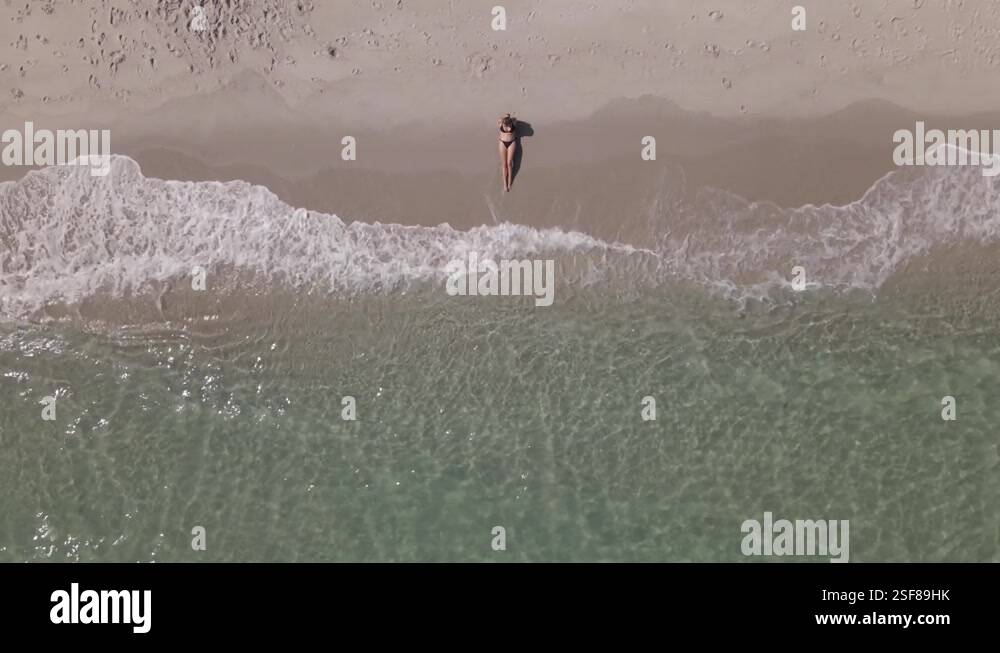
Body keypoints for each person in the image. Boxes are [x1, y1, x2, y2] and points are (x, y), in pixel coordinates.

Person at [497, 113, 518, 192]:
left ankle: (509, 183)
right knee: (504, 164)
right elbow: (499, 119)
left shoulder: (513, 122)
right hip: (502, 143)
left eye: (509, 124)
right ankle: (505, 185)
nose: (508, 127)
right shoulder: (501, 123)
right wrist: (504, 117)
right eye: (506, 125)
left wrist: (508, 117)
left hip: (511, 143)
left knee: (509, 163)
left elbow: (516, 119)